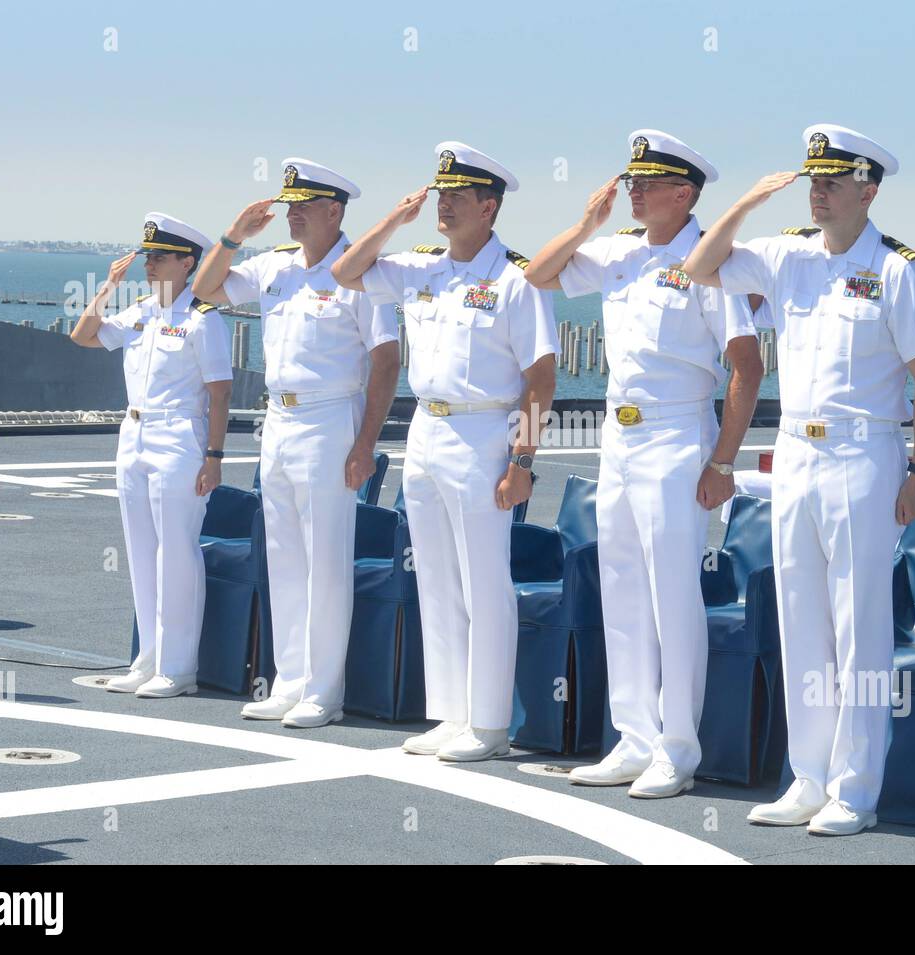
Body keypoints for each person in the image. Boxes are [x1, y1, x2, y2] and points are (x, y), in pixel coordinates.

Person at [685, 123, 915, 835]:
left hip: (866, 456)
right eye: (813, 178)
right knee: (800, 621)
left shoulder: (896, 269)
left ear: (869, 188)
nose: (818, 189)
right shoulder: (788, 257)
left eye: (834, 179)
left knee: (858, 626)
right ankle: (809, 775)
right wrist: (743, 203)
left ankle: (856, 787)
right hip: (794, 455)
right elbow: (701, 266)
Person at [525, 130, 762, 798]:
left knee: (672, 598)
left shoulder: (710, 261)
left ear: (683, 194)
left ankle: (677, 749)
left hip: (679, 435)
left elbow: (746, 366)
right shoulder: (619, 254)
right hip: (620, 438)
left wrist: (722, 460)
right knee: (622, 588)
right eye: (630, 179)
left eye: (646, 181)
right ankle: (633, 738)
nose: (631, 189)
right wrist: (584, 224)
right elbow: (535, 276)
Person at [331, 142, 558, 761]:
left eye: (459, 196)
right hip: (426, 433)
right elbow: (345, 273)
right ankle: (450, 713)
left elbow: (541, 379)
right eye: (440, 195)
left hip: (485, 434)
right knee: (435, 579)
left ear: (490, 206)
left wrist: (522, 463)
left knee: (484, 582)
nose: (445, 204)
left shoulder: (516, 279)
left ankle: (488, 724)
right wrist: (392, 223)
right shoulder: (422, 267)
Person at [191, 158, 400, 728]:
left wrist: (365, 444)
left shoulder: (361, 274)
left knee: (327, 559)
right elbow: (205, 288)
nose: (292, 214)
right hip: (278, 421)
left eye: (304, 205)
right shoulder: (274, 266)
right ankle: (290, 680)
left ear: (335, 211)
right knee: (283, 556)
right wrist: (235, 236)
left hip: (332, 419)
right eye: (288, 205)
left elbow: (386, 363)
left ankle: (324, 691)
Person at [71, 213, 233, 698]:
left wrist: (214, 456)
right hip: (134, 434)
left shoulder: (204, 320)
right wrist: (106, 287)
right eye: (148, 257)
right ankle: (148, 659)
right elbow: (84, 336)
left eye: (160, 257)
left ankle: (178, 666)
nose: (151, 265)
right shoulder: (141, 311)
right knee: (142, 553)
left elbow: (220, 394)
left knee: (176, 553)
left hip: (180, 438)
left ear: (188, 263)